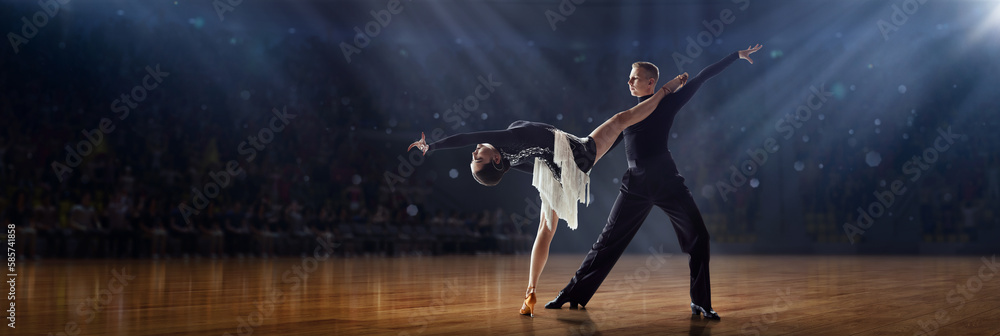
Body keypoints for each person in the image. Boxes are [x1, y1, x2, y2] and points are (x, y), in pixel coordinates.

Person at [406, 73, 689, 316]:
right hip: (577, 155)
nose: (474, 152)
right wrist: (432, 146)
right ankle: (664, 92)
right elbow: (468, 137)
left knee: (546, 228)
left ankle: (530, 292)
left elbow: (538, 166)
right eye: (477, 158)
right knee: (619, 120)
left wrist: (562, 183)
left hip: (562, 169)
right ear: (493, 160)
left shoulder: (512, 161)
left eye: (473, 157)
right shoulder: (506, 144)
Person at [544, 44, 763, 320]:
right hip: (635, 184)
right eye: (629, 77)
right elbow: (602, 148)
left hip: (667, 181)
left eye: (634, 77)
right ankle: (571, 294)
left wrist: (736, 56)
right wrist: (574, 170)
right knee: (606, 243)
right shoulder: (628, 116)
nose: (629, 82)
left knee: (700, 237)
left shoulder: (669, 103)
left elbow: (703, 76)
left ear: (651, 82)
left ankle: (701, 303)